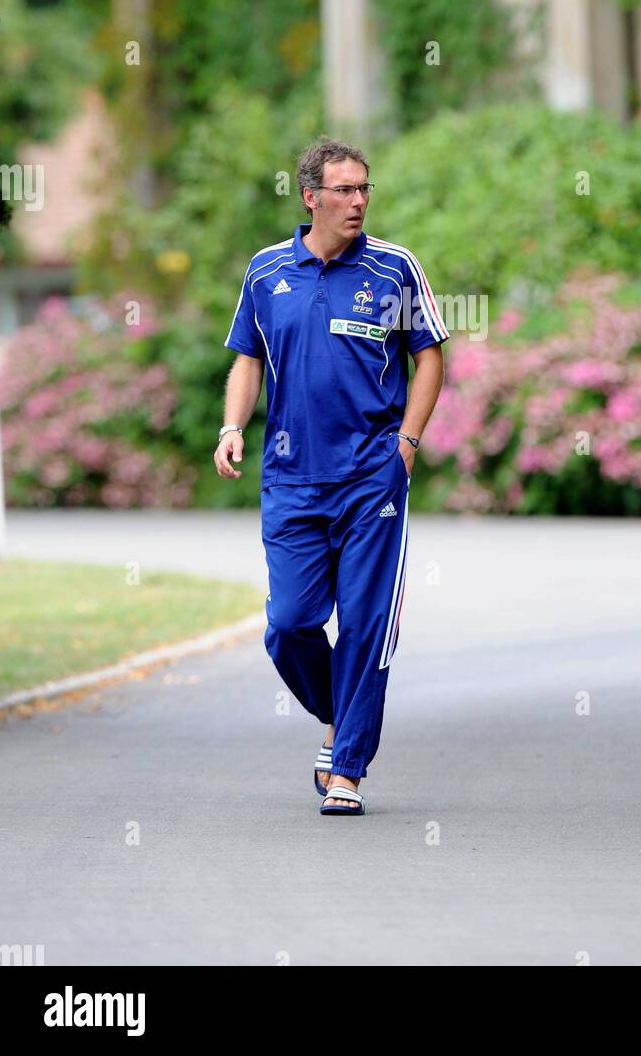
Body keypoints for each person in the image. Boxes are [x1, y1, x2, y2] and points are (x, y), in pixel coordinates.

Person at [214, 137, 449, 816]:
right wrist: (232, 427)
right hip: (290, 478)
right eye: (343, 190)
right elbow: (247, 360)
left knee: (368, 623)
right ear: (309, 196)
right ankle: (337, 716)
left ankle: (346, 767)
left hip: (372, 476)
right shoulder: (264, 273)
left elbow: (429, 355)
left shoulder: (394, 268)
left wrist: (406, 443)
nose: (357, 202)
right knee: (288, 623)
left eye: (364, 189)